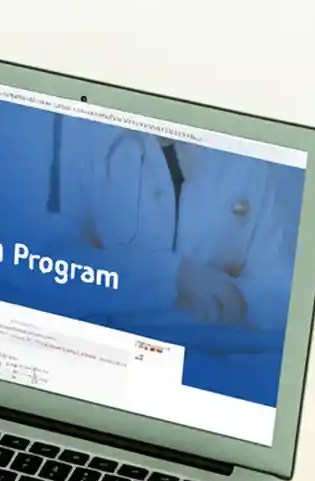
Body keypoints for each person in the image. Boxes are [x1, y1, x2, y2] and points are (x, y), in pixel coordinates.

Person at [53, 119, 298, 334]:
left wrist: (237, 299)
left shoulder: (255, 163)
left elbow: (279, 295)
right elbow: (48, 266)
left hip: (212, 367)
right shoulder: (77, 135)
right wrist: (170, 277)